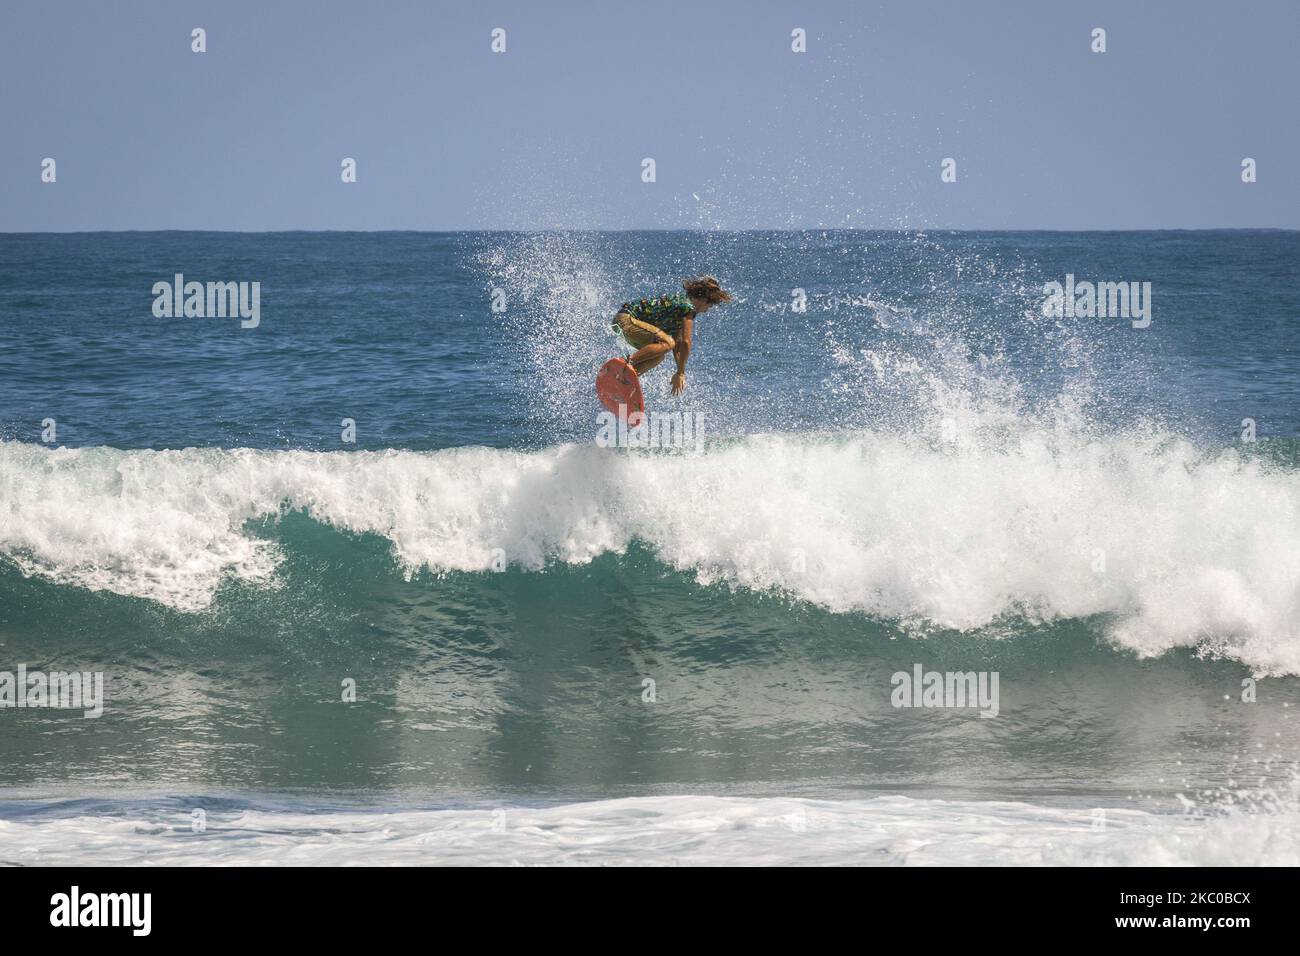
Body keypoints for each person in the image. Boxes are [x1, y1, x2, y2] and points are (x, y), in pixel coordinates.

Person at [612, 276, 732, 396]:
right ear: (705, 300)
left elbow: (679, 345)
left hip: (626, 326)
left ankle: (623, 380)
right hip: (625, 319)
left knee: (658, 356)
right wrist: (680, 373)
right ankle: (624, 364)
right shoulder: (687, 307)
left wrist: (679, 371)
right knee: (668, 343)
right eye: (709, 306)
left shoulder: (680, 309)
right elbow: (686, 341)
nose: (706, 310)